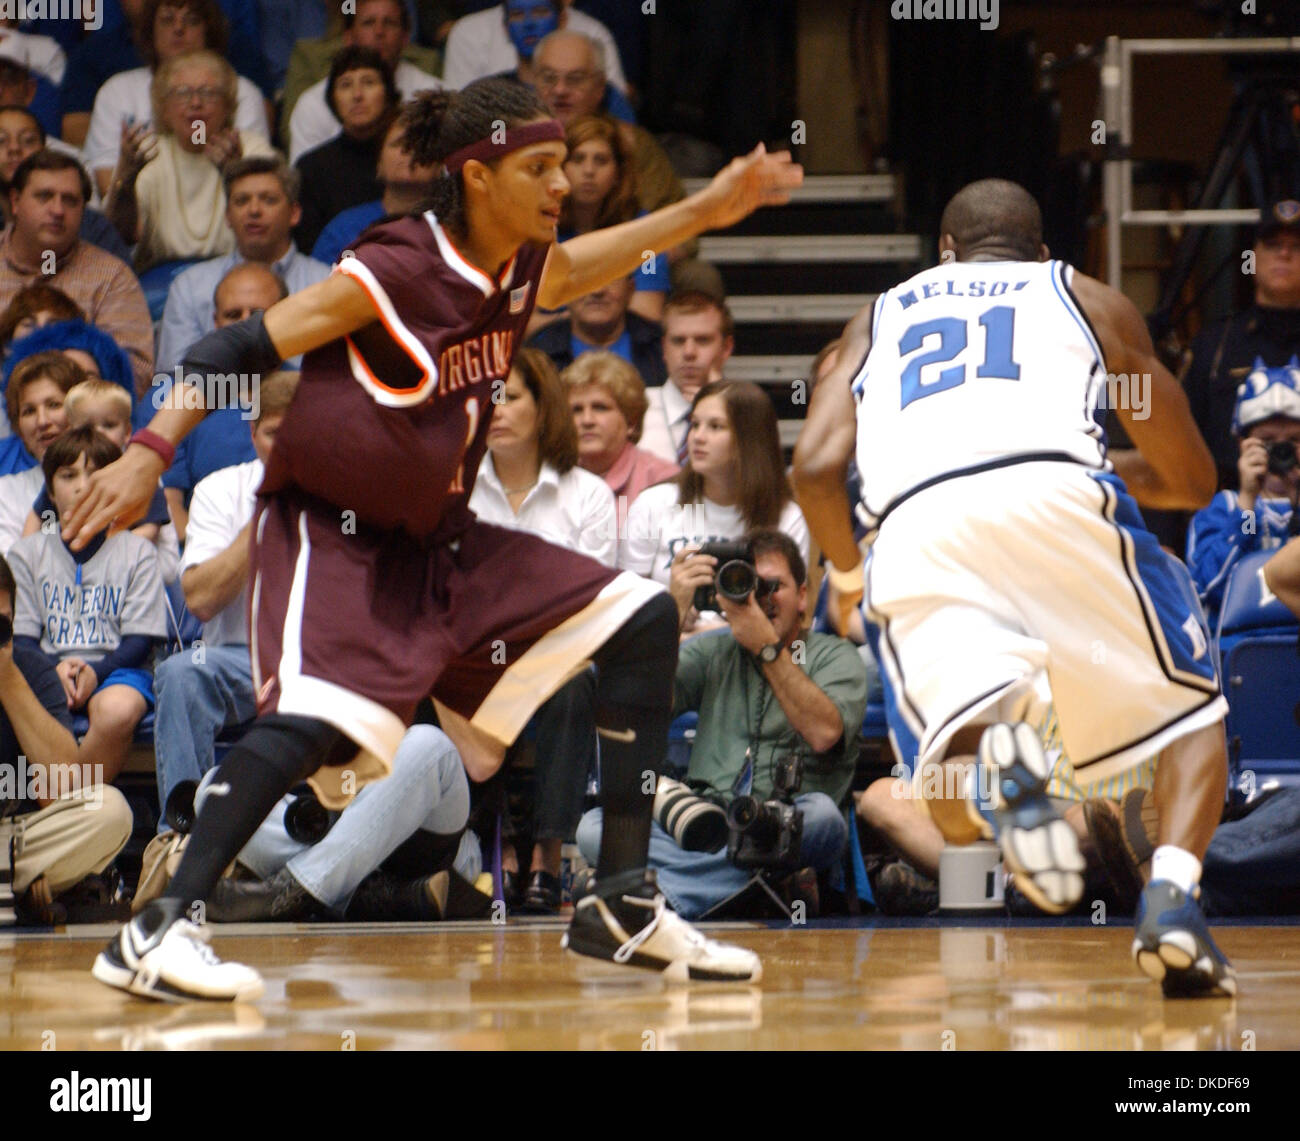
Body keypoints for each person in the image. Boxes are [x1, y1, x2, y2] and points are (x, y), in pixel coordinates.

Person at [69, 78, 800, 1001]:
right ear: (478, 176)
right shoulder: (397, 264)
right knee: (311, 726)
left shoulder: (524, 266)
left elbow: (585, 263)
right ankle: (154, 930)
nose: (561, 184)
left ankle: (620, 901)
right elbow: (241, 347)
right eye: (538, 167)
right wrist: (147, 450)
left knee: (644, 615)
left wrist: (706, 207)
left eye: (562, 166)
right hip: (336, 537)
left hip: (441, 544)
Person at [792, 178, 1235, 997]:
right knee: (1195, 713)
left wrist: (848, 579)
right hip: (1055, 495)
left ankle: (1007, 770)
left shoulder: (877, 317)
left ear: (944, 253)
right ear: (1040, 252)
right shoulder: (1084, 295)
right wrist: (1109, 474)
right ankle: (1172, 894)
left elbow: (814, 466)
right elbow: (1194, 478)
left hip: (915, 526)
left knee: (950, 770)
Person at [577, 530, 867, 919]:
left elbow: (823, 732)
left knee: (824, 822)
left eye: (773, 586)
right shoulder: (713, 652)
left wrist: (766, 649)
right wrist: (671, 614)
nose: (761, 599)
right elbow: (633, 708)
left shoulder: (836, 656)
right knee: (594, 827)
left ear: (802, 596)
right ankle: (755, 888)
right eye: (750, 585)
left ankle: (659, 891)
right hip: (702, 825)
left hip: (780, 824)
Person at [468, 347, 615, 911]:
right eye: (487, 398)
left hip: (559, 654)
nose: (496, 409)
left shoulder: (587, 494)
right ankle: (492, 841)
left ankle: (547, 854)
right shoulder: (456, 492)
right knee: (451, 678)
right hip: (478, 655)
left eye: (510, 396)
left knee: (574, 682)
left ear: (542, 406)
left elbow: (590, 602)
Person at [151, 370, 294, 819]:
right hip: (239, 660)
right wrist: (267, 514)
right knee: (181, 673)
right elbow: (200, 600)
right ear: (253, 434)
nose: (290, 447)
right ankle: (183, 841)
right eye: (275, 434)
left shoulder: (355, 492)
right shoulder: (220, 490)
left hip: (327, 664)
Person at [10, 427, 167, 784]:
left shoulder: (137, 551)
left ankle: (69, 817)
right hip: (44, 667)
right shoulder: (26, 554)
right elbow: (21, 641)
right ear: (50, 490)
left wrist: (97, 671)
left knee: (117, 710)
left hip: (119, 670)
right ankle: (80, 821)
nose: (83, 486)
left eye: (96, 475)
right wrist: (54, 669)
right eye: (68, 476)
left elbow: (140, 641)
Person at [0, 553, 135, 927]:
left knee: (110, 810)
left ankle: (16, 885)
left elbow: (61, 790)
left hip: (16, 841)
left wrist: (8, 681)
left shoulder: (29, 669)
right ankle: (28, 892)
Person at [622, 379, 809, 633]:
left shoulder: (787, 516)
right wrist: (673, 609)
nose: (698, 437)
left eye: (716, 426)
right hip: (670, 651)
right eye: (695, 425)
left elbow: (791, 617)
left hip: (752, 654)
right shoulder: (653, 504)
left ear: (749, 438)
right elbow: (626, 615)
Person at [103, 49, 277, 273]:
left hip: (239, 272)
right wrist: (125, 179)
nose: (195, 103)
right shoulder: (149, 154)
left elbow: (273, 234)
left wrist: (237, 175)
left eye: (208, 93)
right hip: (161, 279)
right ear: (164, 109)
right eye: (183, 93)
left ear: (228, 107)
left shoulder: (254, 150)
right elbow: (119, 236)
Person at [156, 155, 330, 374]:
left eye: (268, 200)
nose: (254, 210)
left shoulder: (325, 284)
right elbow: (174, 378)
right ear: (228, 215)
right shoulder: (190, 286)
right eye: (242, 201)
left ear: (294, 213)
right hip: (210, 406)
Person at [80, 0, 270, 201]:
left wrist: (233, 169)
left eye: (192, 20)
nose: (179, 28)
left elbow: (259, 186)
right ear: (150, 31)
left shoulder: (243, 92)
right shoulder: (117, 92)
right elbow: (107, 186)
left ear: (209, 31)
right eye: (167, 20)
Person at [0, 151, 154, 396]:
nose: (58, 210)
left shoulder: (110, 276)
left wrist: (57, 391)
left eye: (70, 200)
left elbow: (137, 372)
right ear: (16, 201)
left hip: (81, 416)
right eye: (44, 196)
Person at [1182, 198, 1300, 494]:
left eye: (1297, 247)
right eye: (1273, 245)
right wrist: (1166, 538)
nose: (1285, 254)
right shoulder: (1214, 344)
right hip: (1228, 508)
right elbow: (1179, 443)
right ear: (1253, 258)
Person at [161, 262, 286, 540]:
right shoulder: (173, 395)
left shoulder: (312, 390)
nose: (245, 324)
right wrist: (215, 556)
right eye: (233, 315)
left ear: (285, 318)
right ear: (216, 323)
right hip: (201, 552)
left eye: (257, 315)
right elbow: (168, 506)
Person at [21, 379, 180, 585]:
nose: (99, 433)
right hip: (69, 577)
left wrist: (104, 556)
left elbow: (149, 530)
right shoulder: (64, 476)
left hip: (127, 576)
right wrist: (30, 558)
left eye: (109, 425)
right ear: (70, 431)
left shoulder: (139, 474)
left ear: (128, 431)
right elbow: (39, 518)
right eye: (87, 426)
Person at [1187, 358, 1300, 624]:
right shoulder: (1226, 508)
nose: (1282, 451)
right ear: (1243, 444)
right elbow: (1211, 588)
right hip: (1241, 654)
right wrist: (1247, 502)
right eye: (1267, 441)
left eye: (1294, 440)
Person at [531, 30, 682, 218]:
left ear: (600, 87)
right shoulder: (512, 146)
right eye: (549, 78)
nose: (560, 90)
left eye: (575, 79)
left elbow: (679, 234)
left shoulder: (631, 143)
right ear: (533, 82)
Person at [284, 0, 445, 166]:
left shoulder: (435, 96)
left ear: (405, 37)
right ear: (348, 37)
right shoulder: (313, 104)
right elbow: (306, 177)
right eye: (368, 23)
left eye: (389, 23)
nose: (379, 32)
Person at [551, 113, 667, 324]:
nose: (588, 171)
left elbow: (647, 313)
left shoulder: (644, 233)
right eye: (577, 159)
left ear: (618, 173)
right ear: (559, 168)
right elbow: (525, 323)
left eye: (601, 160)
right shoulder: (537, 228)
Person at [293, 46, 400, 254]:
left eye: (368, 82)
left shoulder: (404, 160)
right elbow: (308, 248)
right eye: (345, 85)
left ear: (387, 94)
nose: (357, 95)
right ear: (332, 99)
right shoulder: (311, 168)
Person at [310, 105, 441, 268]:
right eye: (398, 143)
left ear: (441, 164)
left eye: (419, 143)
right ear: (379, 164)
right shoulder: (342, 231)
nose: (408, 151)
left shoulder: (453, 227)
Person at [564, 350, 678, 508]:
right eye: (576, 410)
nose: (587, 420)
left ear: (631, 422)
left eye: (600, 408)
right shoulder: (551, 478)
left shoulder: (667, 480)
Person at [442, 0, 626, 94]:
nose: (528, 24)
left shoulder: (593, 33)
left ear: (562, 20)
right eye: (518, 14)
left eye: (540, 13)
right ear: (504, 26)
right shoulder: (469, 31)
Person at [640, 291, 735, 466]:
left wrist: (724, 409)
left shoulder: (748, 413)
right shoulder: (636, 409)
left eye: (702, 340)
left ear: (726, 348)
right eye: (678, 341)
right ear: (664, 348)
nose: (689, 352)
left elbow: (758, 484)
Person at [0, 352, 83, 547]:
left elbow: (168, 563)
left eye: (54, 405)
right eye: (29, 411)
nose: (42, 421)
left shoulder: (119, 474)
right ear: (18, 427)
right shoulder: (6, 493)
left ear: (80, 410)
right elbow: (11, 570)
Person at [526, 273, 666, 385]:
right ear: (564, 291)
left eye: (610, 278)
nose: (597, 291)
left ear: (630, 288)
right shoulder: (536, 356)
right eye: (584, 279)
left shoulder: (661, 347)